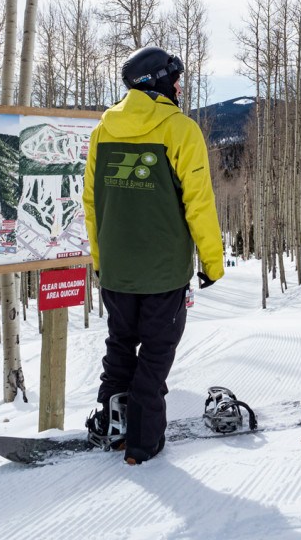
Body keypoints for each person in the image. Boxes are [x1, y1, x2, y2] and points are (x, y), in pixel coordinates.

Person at [83, 46, 224, 464]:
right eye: (175, 78)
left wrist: (100, 259)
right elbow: (198, 202)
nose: (179, 86)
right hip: (162, 271)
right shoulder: (179, 129)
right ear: (158, 81)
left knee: (121, 345)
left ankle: (113, 423)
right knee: (156, 353)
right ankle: (143, 442)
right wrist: (212, 263)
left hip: (116, 269)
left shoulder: (103, 130)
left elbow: (91, 202)